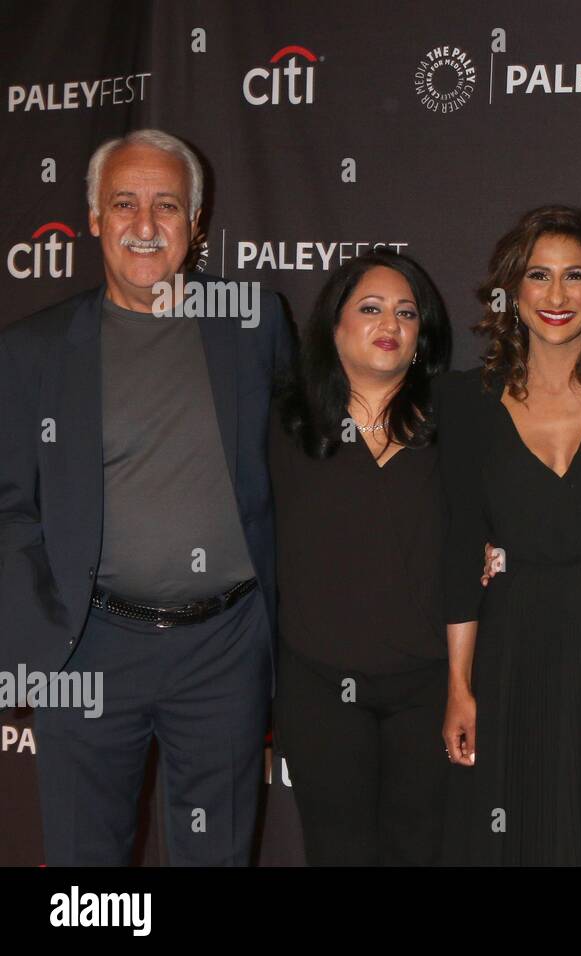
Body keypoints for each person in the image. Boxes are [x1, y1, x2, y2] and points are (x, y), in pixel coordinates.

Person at [0, 129, 292, 865]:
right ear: (93, 219)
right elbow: (8, 506)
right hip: (88, 647)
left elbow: (315, 452)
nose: (143, 224)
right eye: (122, 203)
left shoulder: (254, 323)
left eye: (166, 204)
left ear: (197, 222)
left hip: (224, 649)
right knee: (84, 866)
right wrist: (42, 641)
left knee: (217, 855)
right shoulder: (32, 350)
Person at [438, 205, 581, 865]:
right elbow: (457, 553)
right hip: (508, 648)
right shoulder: (465, 402)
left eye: (575, 276)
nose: (557, 297)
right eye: (538, 277)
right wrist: (459, 685)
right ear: (511, 292)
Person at [270, 250, 452, 865]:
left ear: (421, 337)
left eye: (407, 313)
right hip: (319, 686)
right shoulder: (284, 426)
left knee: (421, 852)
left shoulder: (459, 423)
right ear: (334, 326)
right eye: (370, 308)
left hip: (429, 689)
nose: (391, 324)